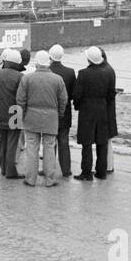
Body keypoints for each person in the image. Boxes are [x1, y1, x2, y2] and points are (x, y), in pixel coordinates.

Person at [17, 50, 68, 187]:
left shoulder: (27, 78)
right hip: (51, 118)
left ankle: (30, 179)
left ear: (36, 63)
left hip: (31, 117)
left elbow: (20, 99)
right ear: (48, 63)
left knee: (31, 149)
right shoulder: (58, 79)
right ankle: (50, 179)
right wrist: (59, 114)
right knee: (49, 148)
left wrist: (23, 115)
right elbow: (63, 100)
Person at [73, 46, 115, 181]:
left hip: (86, 110)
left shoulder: (83, 73)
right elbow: (111, 94)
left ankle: (86, 172)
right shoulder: (107, 73)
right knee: (102, 141)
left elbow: (77, 94)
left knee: (87, 143)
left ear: (89, 59)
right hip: (102, 108)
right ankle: (101, 172)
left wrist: (77, 106)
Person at [0, 48, 25, 179]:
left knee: (3, 140)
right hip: (15, 112)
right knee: (12, 142)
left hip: (0, 111)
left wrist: (0, 99)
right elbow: (22, 97)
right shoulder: (20, 77)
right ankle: (11, 171)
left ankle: (3, 168)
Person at [47, 46, 76, 179]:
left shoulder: (46, 71)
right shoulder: (70, 72)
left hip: (49, 111)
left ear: (50, 56)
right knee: (64, 141)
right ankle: (66, 169)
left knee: (49, 142)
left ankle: (49, 168)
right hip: (65, 111)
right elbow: (73, 93)